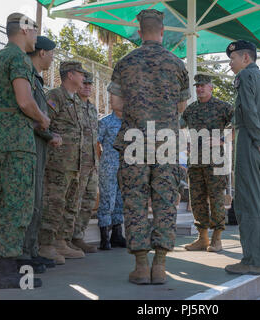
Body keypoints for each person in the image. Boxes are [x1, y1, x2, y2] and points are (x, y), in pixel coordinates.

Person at [109, 9, 190, 285]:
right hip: (166, 140)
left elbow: (116, 105)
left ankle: (141, 266)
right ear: (163, 32)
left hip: (135, 138)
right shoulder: (177, 64)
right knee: (165, 202)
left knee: (135, 202)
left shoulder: (125, 62)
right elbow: (181, 106)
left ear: (139, 32)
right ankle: (161, 265)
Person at [0, 13, 49, 289]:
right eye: (35, 33)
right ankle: (6, 271)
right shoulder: (18, 58)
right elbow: (25, 101)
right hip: (17, 142)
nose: (36, 39)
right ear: (25, 31)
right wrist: (43, 118)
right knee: (17, 206)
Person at [224, 40, 260, 275]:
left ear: (246, 58)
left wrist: (259, 143)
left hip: (251, 146)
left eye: (233, 59)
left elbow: (248, 110)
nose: (231, 64)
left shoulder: (245, 77)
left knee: (249, 203)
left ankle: (253, 260)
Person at [18, 36, 61, 273]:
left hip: (39, 147)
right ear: (42, 53)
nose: (53, 57)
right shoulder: (27, 79)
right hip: (31, 146)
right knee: (30, 203)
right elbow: (30, 116)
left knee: (37, 202)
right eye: (52, 53)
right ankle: (24, 254)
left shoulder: (35, 79)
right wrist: (50, 135)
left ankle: (32, 252)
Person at [38, 61, 86, 263]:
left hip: (74, 164)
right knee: (54, 204)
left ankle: (61, 242)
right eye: (81, 74)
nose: (84, 78)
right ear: (71, 75)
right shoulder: (55, 96)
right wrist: (51, 137)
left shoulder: (76, 101)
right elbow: (41, 123)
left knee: (70, 205)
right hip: (58, 164)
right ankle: (45, 245)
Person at [182, 74, 233, 253]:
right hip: (195, 162)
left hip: (215, 162)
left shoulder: (223, 107)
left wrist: (223, 139)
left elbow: (240, 123)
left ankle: (217, 238)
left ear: (211, 87)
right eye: (197, 86)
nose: (199, 89)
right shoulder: (191, 109)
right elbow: (178, 126)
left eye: (203, 86)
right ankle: (202, 238)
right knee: (196, 200)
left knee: (216, 199)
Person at [71, 71, 99, 254]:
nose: (87, 86)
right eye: (85, 83)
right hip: (76, 163)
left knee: (88, 201)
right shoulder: (72, 105)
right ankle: (66, 238)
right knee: (74, 201)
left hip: (91, 162)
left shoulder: (92, 108)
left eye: (90, 84)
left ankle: (78, 236)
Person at [97, 93, 126, 251]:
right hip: (109, 166)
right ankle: (104, 237)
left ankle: (117, 235)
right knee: (107, 200)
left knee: (120, 202)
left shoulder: (130, 123)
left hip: (125, 167)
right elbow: (97, 142)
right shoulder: (105, 121)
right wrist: (102, 160)